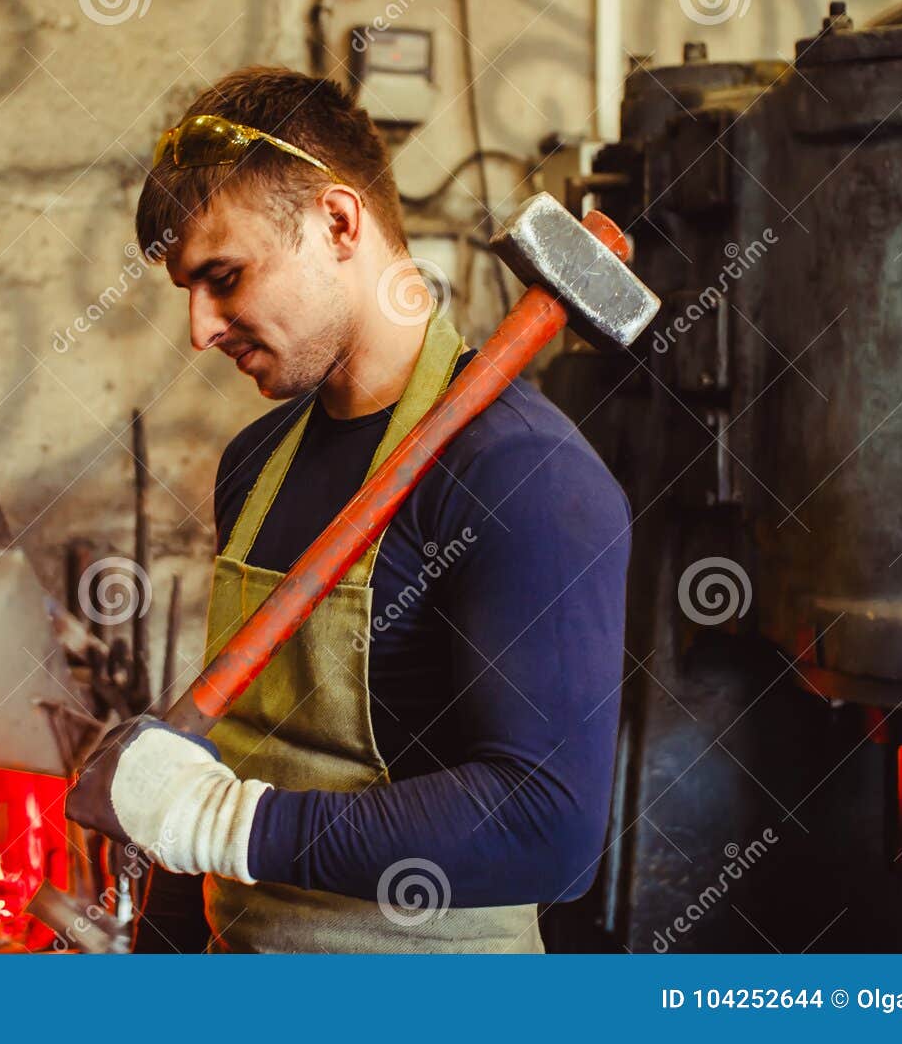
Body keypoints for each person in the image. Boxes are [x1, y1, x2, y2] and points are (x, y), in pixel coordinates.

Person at [65, 65, 631, 953]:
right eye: (187, 290)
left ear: (338, 222)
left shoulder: (526, 474)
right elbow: (224, 756)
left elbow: (546, 829)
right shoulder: (254, 466)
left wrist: (226, 825)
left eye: (225, 276)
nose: (200, 329)